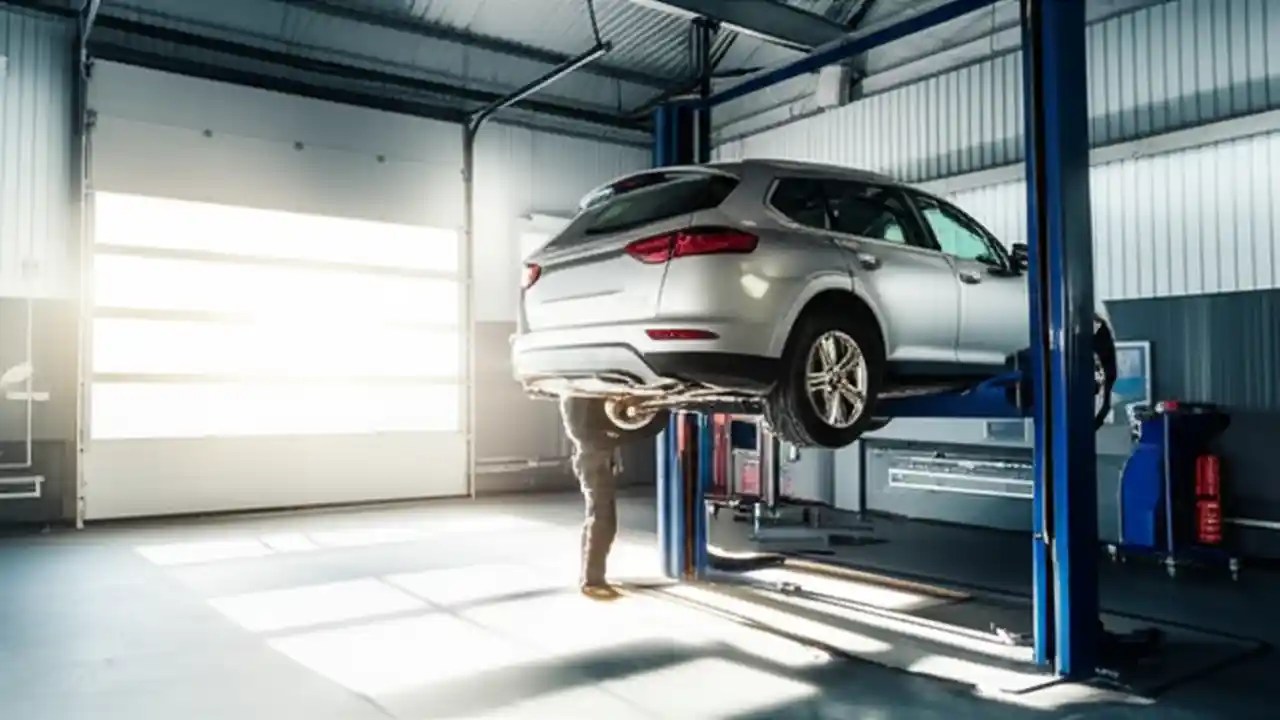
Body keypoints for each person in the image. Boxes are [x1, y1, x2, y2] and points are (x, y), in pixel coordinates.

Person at [559, 396, 624, 599]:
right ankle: (592, 579)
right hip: (593, 461)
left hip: (595, 459)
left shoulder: (577, 396)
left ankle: (590, 575)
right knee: (603, 519)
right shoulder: (576, 397)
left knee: (597, 517)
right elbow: (584, 432)